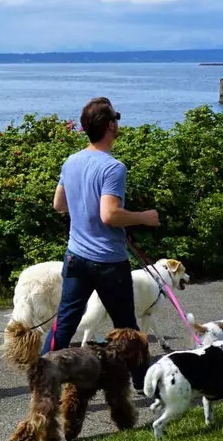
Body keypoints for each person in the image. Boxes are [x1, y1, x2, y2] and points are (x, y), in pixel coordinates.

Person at [46, 97, 161, 351]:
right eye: (115, 120)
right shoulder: (113, 168)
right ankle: (143, 381)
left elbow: (59, 204)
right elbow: (109, 215)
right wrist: (144, 217)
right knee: (127, 327)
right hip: (108, 260)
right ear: (110, 126)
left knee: (65, 321)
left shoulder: (71, 161)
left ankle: (43, 378)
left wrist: (84, 207)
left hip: (76, 256)